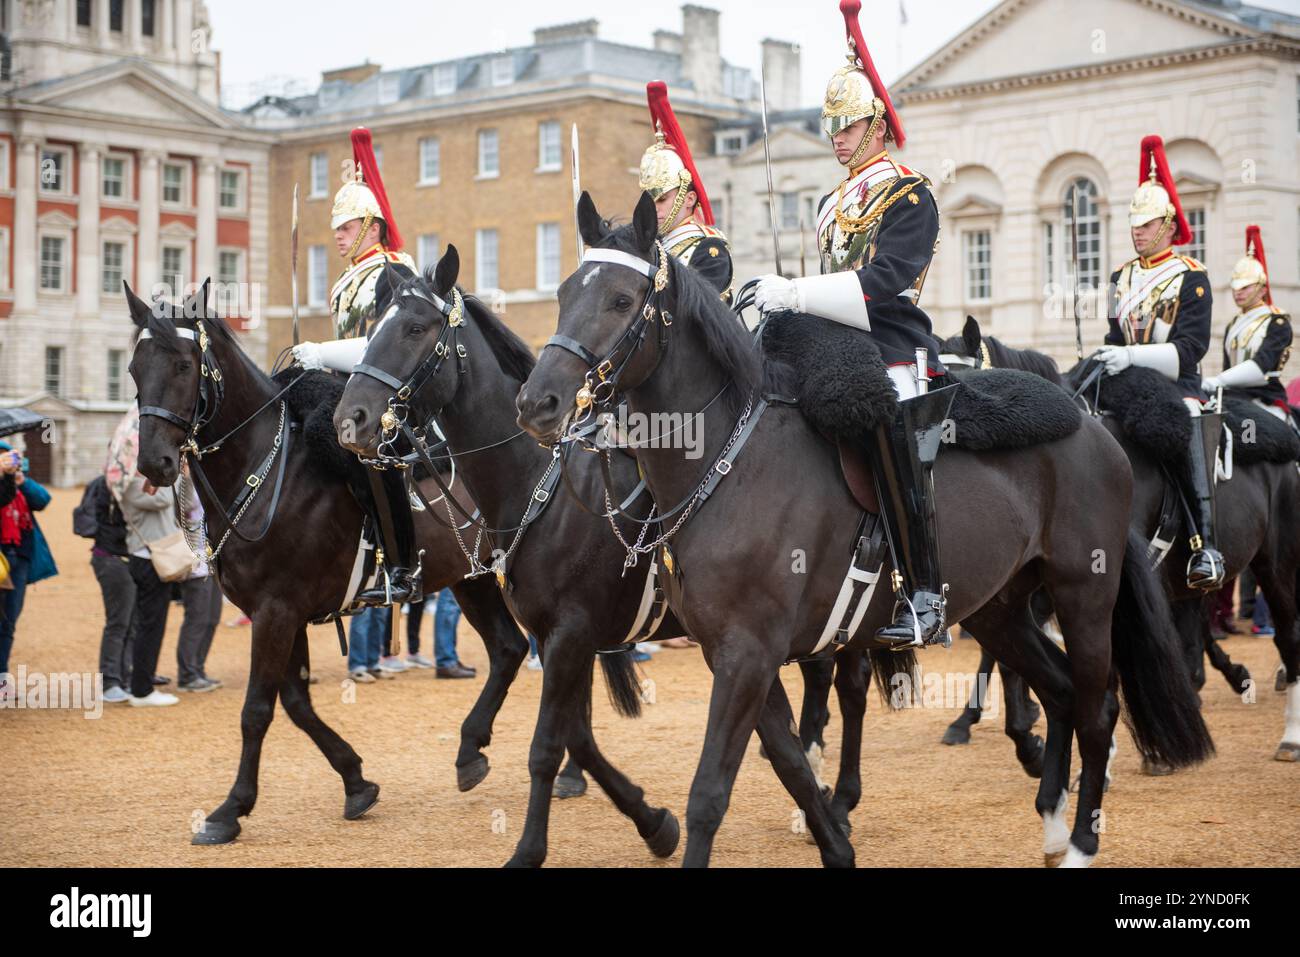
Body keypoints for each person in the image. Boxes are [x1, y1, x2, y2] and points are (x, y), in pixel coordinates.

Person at [754, 0, 950, 647]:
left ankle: (924, 592)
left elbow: (882, 282)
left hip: (894, 344)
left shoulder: (909, 192)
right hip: (834, 347)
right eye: (831, 126)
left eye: (848, 125)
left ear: (875, 124)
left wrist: (799, 291)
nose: (837, 137)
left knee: (885, 422)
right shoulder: (829, 202)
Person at [291, 127, 422, 608]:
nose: (338, 238)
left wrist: (322, 351)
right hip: (353, 390)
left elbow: (378, 347)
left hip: (392, 394)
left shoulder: (394, 273)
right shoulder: (350, 278)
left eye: (345, 229)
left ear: (371, 225)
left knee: (373, 450)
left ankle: (401, 562)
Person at [1096, 134, 1223, 591]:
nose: (1137, 231)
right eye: (1134, 224)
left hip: (1176, 384)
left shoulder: (1193, 278)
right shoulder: (1120, 277)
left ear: (1169, 224)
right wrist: (1111, 355)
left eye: (1147, 224)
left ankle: (1204, 546)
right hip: (1127, 384)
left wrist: (1130, 353)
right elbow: (1114, 335)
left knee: (1186, 418)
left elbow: (1191, 349)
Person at [638, 81, 733, 301]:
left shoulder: (708, 249)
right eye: (649, 201)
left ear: (689, 198)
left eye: (662, 199)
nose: (654, 209)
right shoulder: (652, 248)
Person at [1203, 225, 1294, 427]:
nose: (1238, 292)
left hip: (1264, 398)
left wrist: (1218, 380)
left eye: (1245, 287)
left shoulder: (1277, 322)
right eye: (1235, 287)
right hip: (1232, 397)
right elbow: (1229, 367)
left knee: (1249, 440)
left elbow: (1261, 366)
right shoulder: (1233, 324)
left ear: (1262, 289)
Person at [1, 441, 57, 701]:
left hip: (18, 557)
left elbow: (42, 499)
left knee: (8, 621)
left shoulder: (16, 481)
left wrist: (19, 478)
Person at [85, 472, 136, 703]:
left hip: (126, 558)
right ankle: (110, 682)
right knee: (118, 622)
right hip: (111, 557)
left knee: (131, 623)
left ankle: (125, 676)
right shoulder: (105, 484)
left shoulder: (126, 482)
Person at [176, 491, 223, 692]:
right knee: (197, 618)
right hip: (194, 562)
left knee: (212, 617)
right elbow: (181, 511)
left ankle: (198, 669)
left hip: (212, 560)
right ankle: (187, 675)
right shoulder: (181, 484)